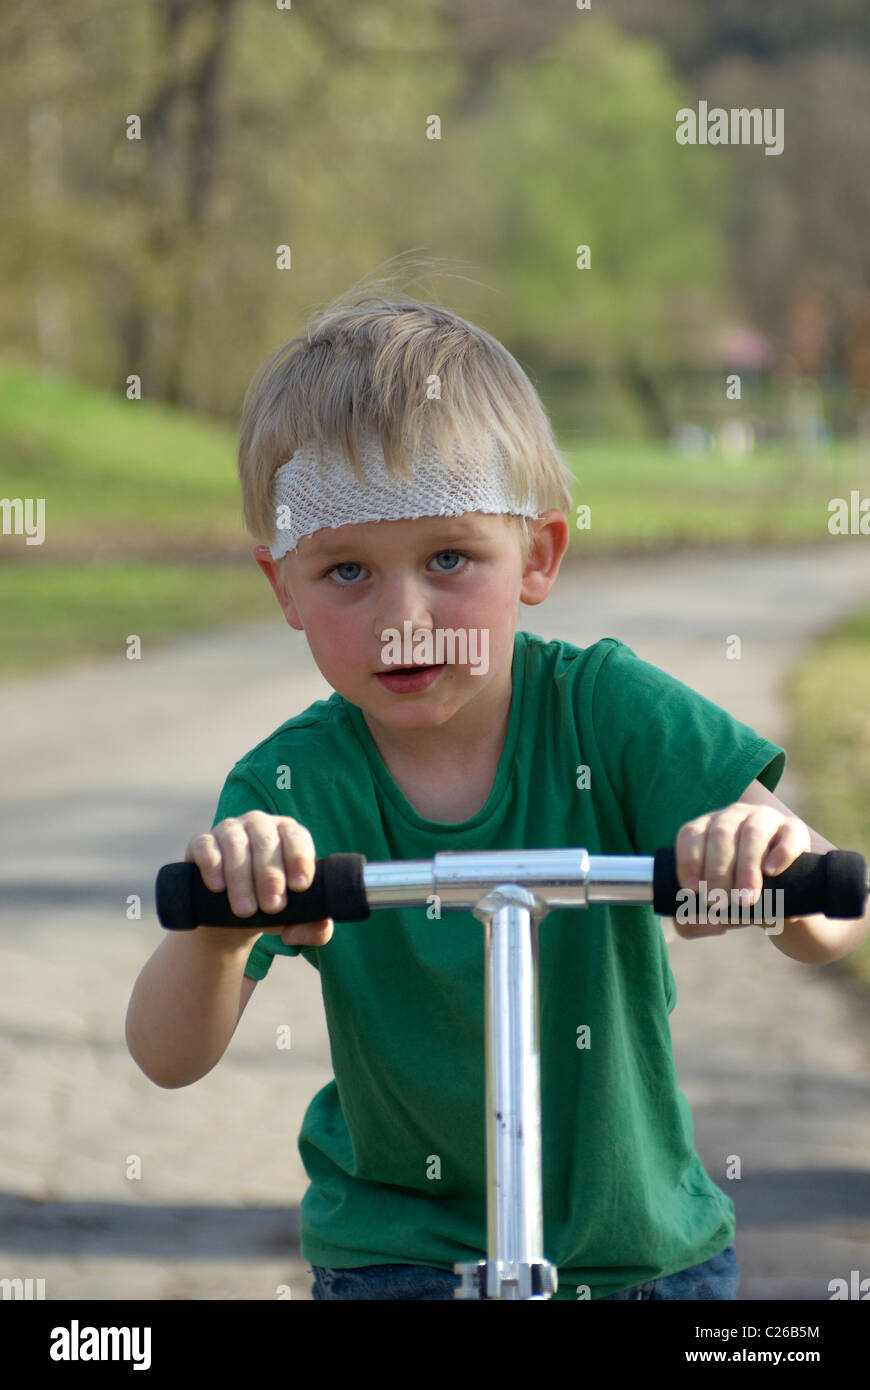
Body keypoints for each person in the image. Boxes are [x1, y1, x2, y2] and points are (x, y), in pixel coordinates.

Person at [126, 294, 869, 1301]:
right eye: (347, 569)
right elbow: (168, 1057)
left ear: (540, 556)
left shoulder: (610, 711)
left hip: (642, 1253)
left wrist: (758, 852)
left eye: (448, 558)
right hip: (400, 1258)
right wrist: (215, 933)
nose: (403, 617)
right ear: (284, 587)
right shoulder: (291, 786)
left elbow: (833, 919)